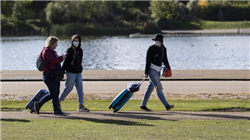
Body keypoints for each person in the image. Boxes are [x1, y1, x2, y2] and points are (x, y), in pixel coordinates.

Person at [141, 34, 174, 111]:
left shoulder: (163, 49)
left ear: (161, 41)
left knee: (150, 88)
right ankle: (167, 106)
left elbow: (165, 59)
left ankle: (143, 105)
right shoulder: (151, 48)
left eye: (157, 41)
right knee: (159, 87)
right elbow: (148, 61)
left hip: (158, 71)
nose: (155, 42)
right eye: (155, 40)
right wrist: (146, 72)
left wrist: (168, 68)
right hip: (151, 70)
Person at [34, 36, 66, 115]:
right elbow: (53, 60)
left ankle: (57, 110)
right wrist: (62, 58)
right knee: (53, 93)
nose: (57, 45)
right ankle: (38, 104)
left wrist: (60, 58)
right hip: (49, 75)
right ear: (52, 43)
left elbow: (54, 61)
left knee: (56, 93)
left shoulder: (51, 51)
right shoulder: (47, 51)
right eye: (56, 43)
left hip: (54, 75)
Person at [59, 34, 90, 112]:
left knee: (80, 89)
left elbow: (80, 61)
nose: (75, 42)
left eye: (77, 41)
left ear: (79, 42)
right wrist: (62, 71)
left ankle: (81, 106)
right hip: (70, 73)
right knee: (68, 88)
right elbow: (65, 63)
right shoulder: (69, 50)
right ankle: (58, 102)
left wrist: (80, 68)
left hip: (78, 72)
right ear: (72, 41)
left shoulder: (80, 50)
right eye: (74, 40)